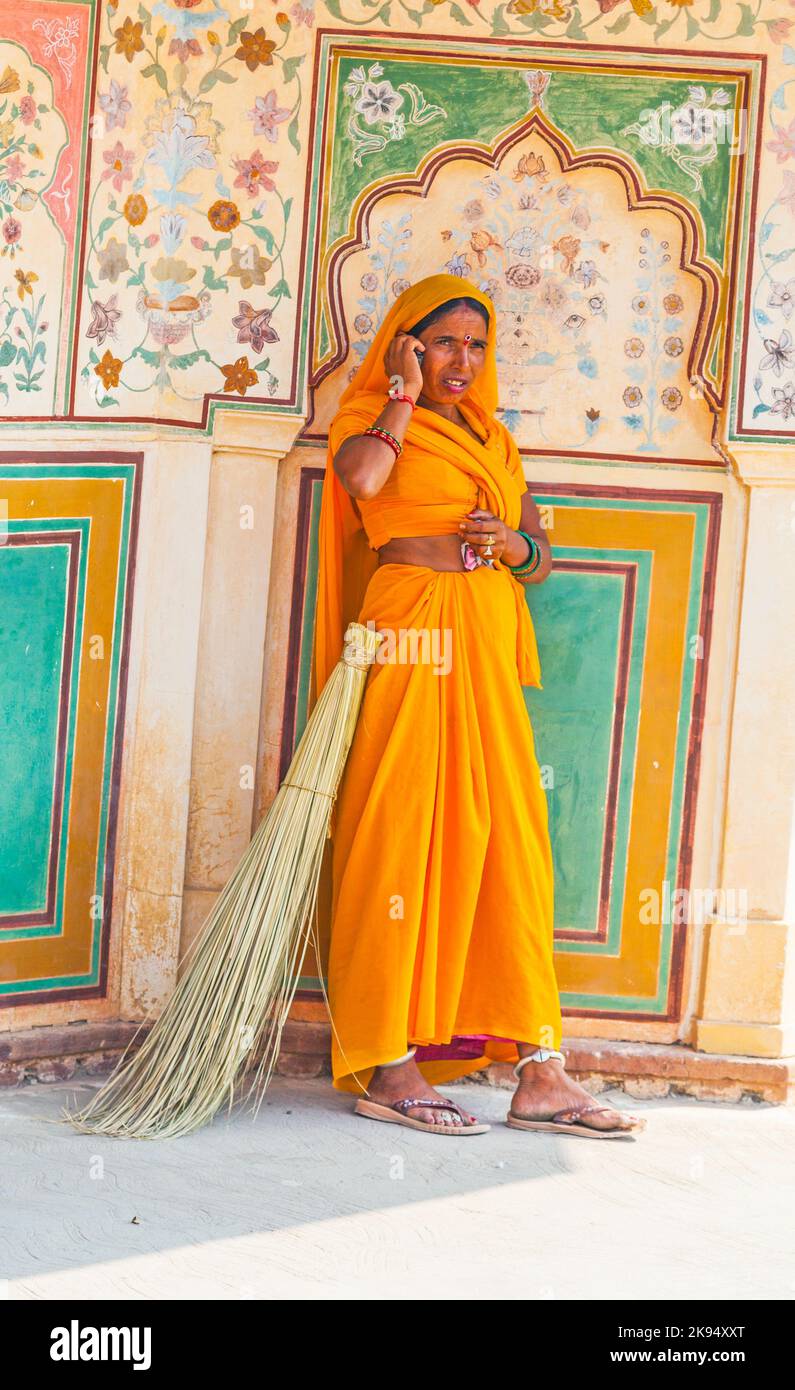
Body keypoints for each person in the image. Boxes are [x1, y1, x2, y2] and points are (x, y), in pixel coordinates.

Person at [311, 273, 645, 1139]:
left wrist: (514, 541)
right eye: (444, 342)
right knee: (401, 831)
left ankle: (539, 1069)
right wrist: (400, 394)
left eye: (475, 346)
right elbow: (361, 478)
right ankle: (391, 1061)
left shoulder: (493, 439)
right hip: (412, 631)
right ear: (409, 344)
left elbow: (538, 555)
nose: (461, 360)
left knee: (507, 840)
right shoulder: (375, 416)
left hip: (485, 637)